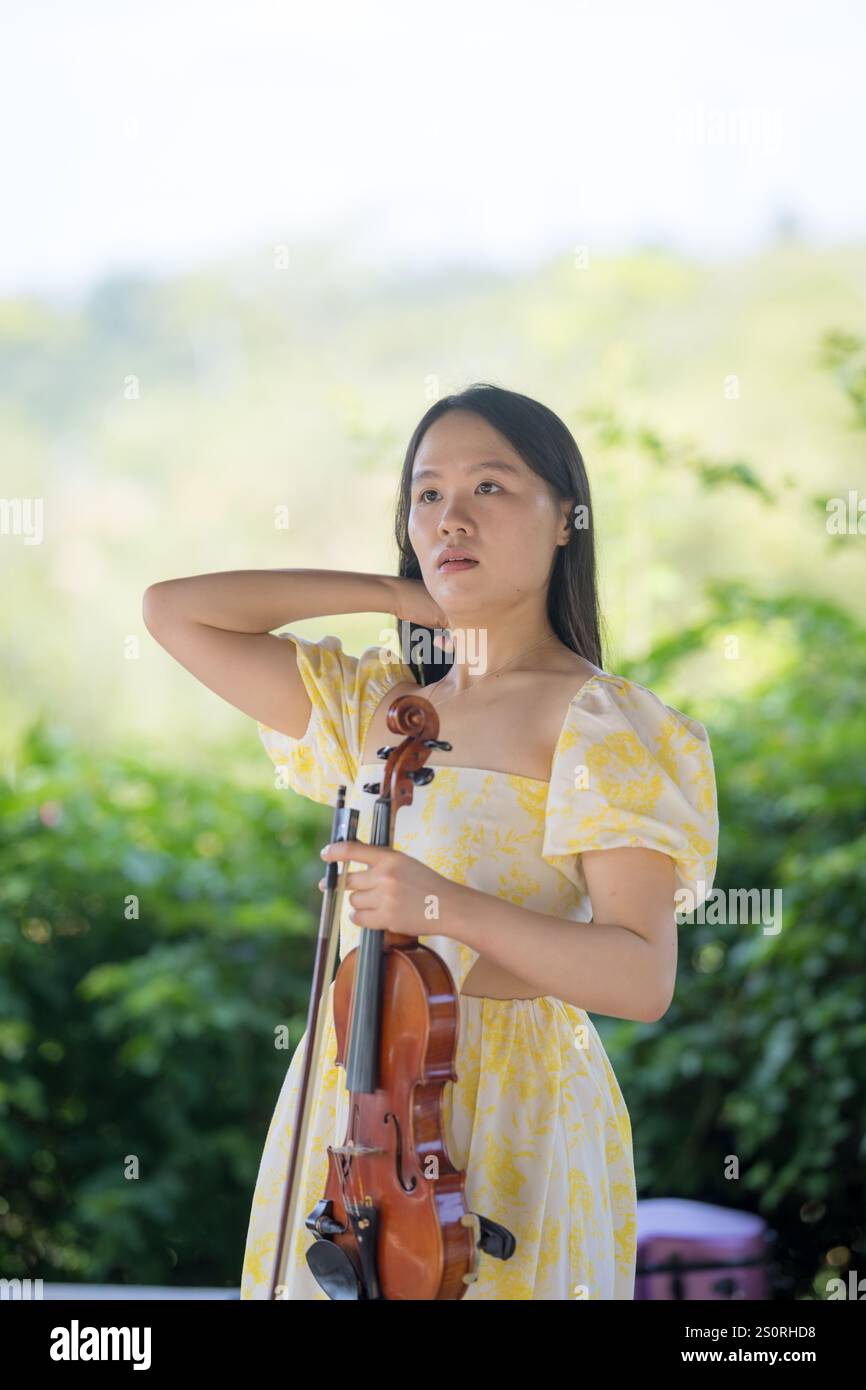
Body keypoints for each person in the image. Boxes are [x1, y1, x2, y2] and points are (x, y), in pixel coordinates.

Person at [143, 382, 719, 1300]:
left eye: (490, 488)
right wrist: (396, 595)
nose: (452, 518)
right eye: (427, 495)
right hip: (360, 1104)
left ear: (568, 517)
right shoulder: (380, 707)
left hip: (512, 1110)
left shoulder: (604, 723)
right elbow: (176, 611)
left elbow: (641, 976)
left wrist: (439, 904)